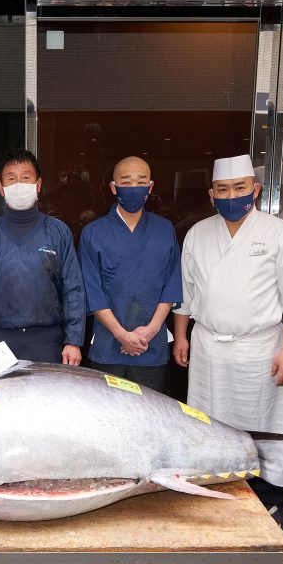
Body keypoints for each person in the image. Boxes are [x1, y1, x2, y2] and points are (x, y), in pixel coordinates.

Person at [173, 154, 283, 511]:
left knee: (262, 420)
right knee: (209, 421)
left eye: (239, 187)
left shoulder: (280, 234)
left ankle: (267, 492)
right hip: (208, 347)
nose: (231, 194)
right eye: (223, 189)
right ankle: (214, 482)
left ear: (255, 189)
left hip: (260, 347)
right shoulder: (198, 232)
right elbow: (187, 293)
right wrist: (182, 336)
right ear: (212, 194)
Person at [0, 149, 86, 364]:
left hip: (47, 341)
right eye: (11, 178)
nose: (19, 184)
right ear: (1, 188)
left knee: (47, 397)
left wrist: (73, 340)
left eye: (26, 177)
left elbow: (73, 289)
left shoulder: (58, 231)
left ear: (38, 185)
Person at [77, 155, 182, 393]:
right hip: (107, 342)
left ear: (150, 187)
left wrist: (152, 329)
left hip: (151, 344)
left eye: (140, 181)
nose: (134, 187)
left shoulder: (165, 230)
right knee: (109, 417)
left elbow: (172, 285)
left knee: (150, 417)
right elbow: (92, 291)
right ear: (114, 188)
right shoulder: (93, 233)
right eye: (126, 182)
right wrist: (120, 334)